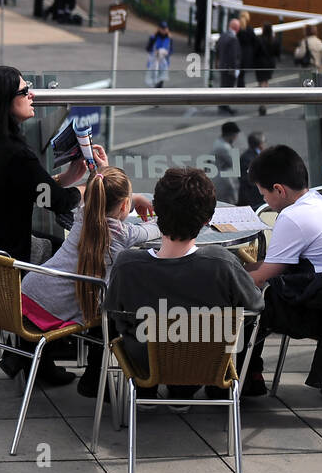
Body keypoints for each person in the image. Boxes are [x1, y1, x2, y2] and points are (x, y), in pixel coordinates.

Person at [0, 67, 107, 385]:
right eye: (25, 92)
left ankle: (26, 353)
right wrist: (93, 185)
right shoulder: (14, 152)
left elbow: (32, 190)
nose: (32, 95)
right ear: (4, 102)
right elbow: (58, 202)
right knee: (64, 263)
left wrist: (66, 180)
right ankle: (36, 356)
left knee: (51, 248)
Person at [110, 168, 263, 408]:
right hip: (208, 361)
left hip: (144, 361)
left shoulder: (128, 264)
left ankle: (145, 389)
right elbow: (255, 305)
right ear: (206, 220)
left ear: (156, 213)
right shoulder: (221, 263)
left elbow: (114, 313)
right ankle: (186, 388)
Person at [242, 145, 322, 394]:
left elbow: (263, 277)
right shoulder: (319, 202)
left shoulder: (292, 217)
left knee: (244, 301)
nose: (265, 201)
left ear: (279, 189)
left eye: (264, 195)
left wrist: (224, 279)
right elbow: (278, 267)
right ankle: (249, 376)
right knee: (248, 285)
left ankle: (238, 379)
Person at [20, 166, 156, 397]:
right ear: (124, 206)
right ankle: (93, 379)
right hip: (54, 310)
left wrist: (135, 198)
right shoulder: (124, 233)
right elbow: (155, 228)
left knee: (97, 298)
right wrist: (143, 199)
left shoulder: (81, 215)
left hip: (27, 293)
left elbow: (104, 196)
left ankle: (22, 358)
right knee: (112, 314)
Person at [211, 121, 242, 204]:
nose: (236, 137)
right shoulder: (223, 147)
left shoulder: (220, 143)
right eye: (236, 134)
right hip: (226, 184)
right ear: (231, 134)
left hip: (224, 181)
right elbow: (235, 163)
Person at [215, 18, 241, 114]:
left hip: (223, 66)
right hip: (230, 69)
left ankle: (223, 106)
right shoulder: (233, 39)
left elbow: (217, 49)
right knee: (228, 88)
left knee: (223, 86)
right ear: (237, 28)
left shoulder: (223, 35)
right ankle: (224, 107)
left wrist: (217, 62)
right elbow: (233, 57)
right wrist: (235, 70)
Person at [237, 132, 265, 209]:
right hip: (251, 199)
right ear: (260, 144)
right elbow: (247, 179)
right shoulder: (249, 158)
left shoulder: (250, 155)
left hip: (253, 197)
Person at [253, 23, 276, 114]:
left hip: (261, 64)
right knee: (266, 82)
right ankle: (265, 101)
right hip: (270, 64)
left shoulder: (259, 40)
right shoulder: (273, 40)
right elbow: (277, 52)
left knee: (261, 82)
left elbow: (256, 51)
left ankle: (262, 103)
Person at [145, 20, 172, 87]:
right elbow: (148, 48)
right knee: (153, 81)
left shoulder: (169, 38)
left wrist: (166, 53)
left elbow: (171, 50)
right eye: (162, 28)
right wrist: (155, 51)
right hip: (154, 63)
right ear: (159, 28)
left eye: (165, 28)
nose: (164, 30)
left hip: (163, 62)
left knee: (160, 82)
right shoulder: (154, 37)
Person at [236, 11, 257, 89]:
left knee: (239, 75)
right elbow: (255, 41)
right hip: (246, 54)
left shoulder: (238, 30)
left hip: (238, 54)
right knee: (241, 74)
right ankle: (241, 89)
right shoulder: (250, 29)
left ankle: (239, 88)